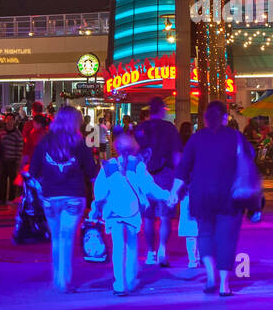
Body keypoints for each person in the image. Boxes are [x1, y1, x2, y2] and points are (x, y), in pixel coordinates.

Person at [170, 100, 251, 297]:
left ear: (205, 119)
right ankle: (224, 284)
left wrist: (173, 193)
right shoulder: (236, 137)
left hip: (201, 195)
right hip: (229, 196)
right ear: (225, 117)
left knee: (204, 234)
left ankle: (210, 276)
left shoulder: (196, 139)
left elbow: (183, 167)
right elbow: (250, 159)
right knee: (226, 238)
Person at [92, 132, 171, 295]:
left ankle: (120, 283)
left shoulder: (108, 166)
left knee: (118, 247)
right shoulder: (138, 166)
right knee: (132, 245)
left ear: (116, 148)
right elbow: (150, 188)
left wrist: (96, 208)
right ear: (135, 148)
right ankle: (130, 279)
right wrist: (167, 196)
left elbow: (99, 192)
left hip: (113, 213)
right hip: (132, 213)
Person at [29, 105, 97, 292]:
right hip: (73, 195)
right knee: (67, 237)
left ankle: (57, 278)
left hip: (50, 196)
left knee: (56, 239)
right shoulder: (79, 143)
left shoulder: (45, 142)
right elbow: (91, 171)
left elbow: (33, 170)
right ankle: (64, 280)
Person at [134, 96, 181, 267]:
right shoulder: (170, 129)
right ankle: (162, 250)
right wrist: (180, 177)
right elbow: (176, 156)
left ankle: (150, 253)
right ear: (161, 110)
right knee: (165, 216)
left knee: (148, 217)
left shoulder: (140, 129)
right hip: (165, 175)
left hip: (144, 175)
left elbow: (134, 153)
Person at [0, 114, 24, 211]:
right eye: (8, 119)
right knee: (1, 180)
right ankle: (2, 199)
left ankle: (11, 198)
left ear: (14, 121)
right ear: (5, 120)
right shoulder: (1, 132)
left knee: (12, 181)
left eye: (12, 119)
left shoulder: (17, 133)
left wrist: (18, 160)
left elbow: (20, 147)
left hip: (12, 160)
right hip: (2, 160)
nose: (10, 121)